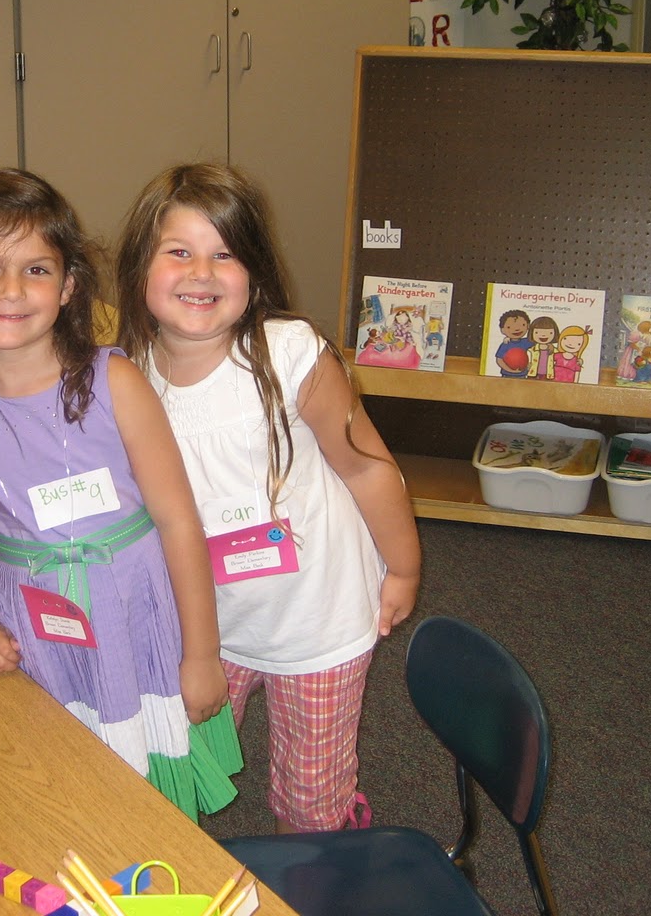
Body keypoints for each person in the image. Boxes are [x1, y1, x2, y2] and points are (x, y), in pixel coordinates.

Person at [0, 164, 241, 821]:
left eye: (35, 269)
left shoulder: (113, 382)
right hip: (31, 612)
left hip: (131, 603)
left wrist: (202, 656)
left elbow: (178, 522)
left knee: (148, 775)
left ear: (67, 287)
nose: (11, 290)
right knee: (64, 777)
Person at [115, 162, 422, 834]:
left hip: (318, 615)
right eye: (179, 252)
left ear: (253, 272)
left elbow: (367, 468)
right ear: (142, 269)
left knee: (310, 802)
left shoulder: (289, 356)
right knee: (182, 774)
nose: (201, 272)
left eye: (224, 254)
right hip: (208, 622)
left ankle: (326, 868)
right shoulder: (127, 379)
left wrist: (402, 566)